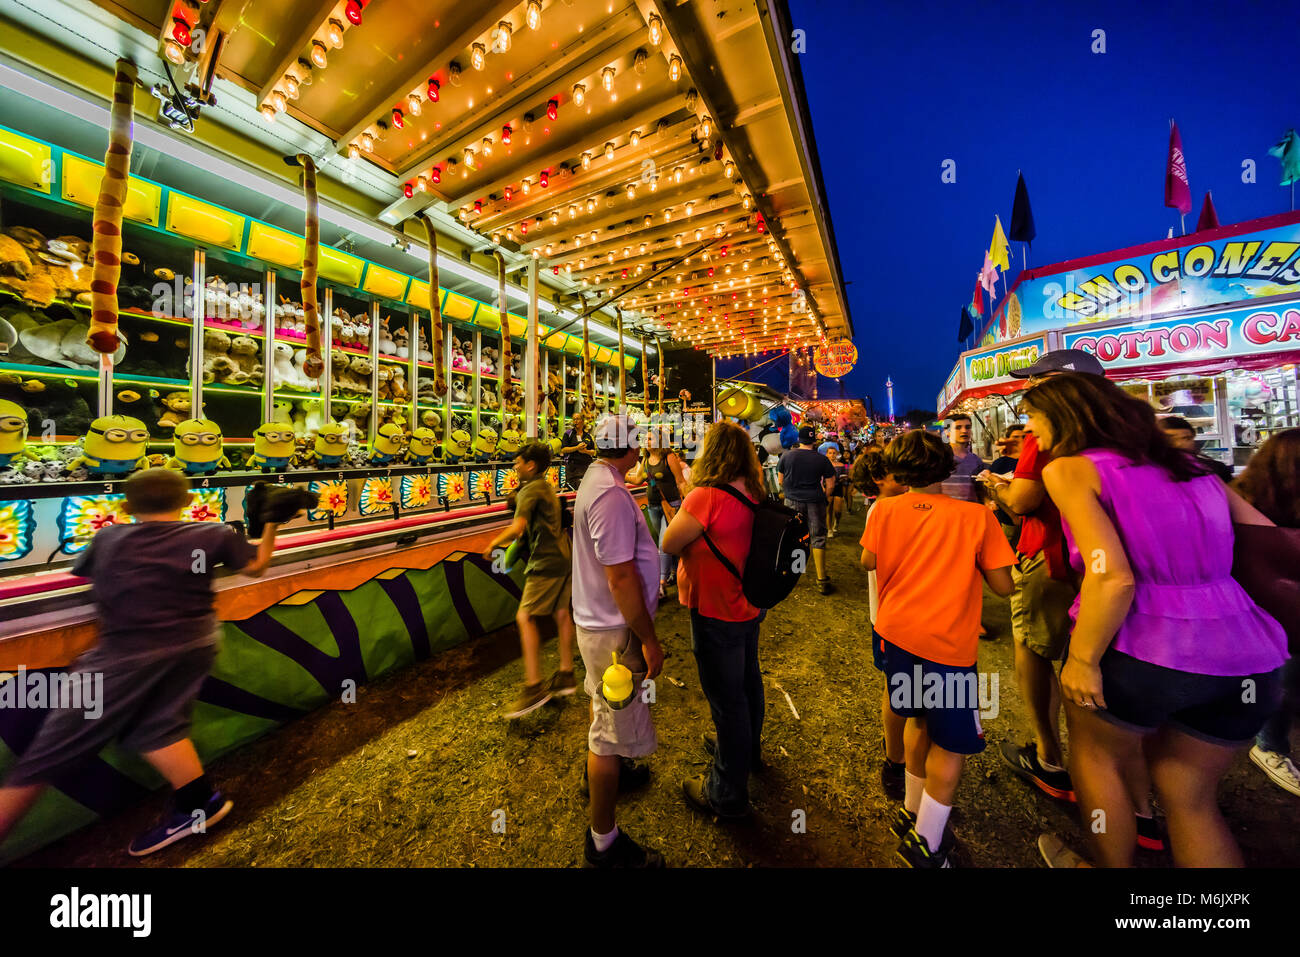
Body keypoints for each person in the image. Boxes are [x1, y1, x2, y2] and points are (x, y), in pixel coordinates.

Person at [1023, 373, 1287, 867]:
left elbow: (1112, 577)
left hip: (1142, 648)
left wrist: (1081, 659)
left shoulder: (1071, 470)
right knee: (1192, 801)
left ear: (1063, 418)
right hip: (1247, 654)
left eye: (1034, 422)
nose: (1032, 435)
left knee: (1101, 765)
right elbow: (1270, 543)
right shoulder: (1193, 466)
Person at [0, 468, 285, 856]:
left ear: (126, 505)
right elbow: (258, 566)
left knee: (46, 755)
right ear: (187, 502)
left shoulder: (108, 537)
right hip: (196, 643)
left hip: (125, 656)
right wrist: (270, 525)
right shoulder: (214, 534)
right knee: (157, 727)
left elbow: (78, 578)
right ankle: (199, 804)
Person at [860, 431, 1016, 868]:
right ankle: (927, 843)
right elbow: (1004, 586)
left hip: (898, 636)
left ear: (895, 468)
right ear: (947, 466)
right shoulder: (974, 516)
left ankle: (913, 813)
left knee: (915, 720)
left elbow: (868, 561)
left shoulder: (882, 510)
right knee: (953, 745)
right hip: (947, 645)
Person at [982, 349, 1106, 810]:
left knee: (1035, 650)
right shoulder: (1122, 432)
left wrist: (998, 486)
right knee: (1096, 662)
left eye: (1037, 384)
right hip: (1108, 563)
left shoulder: (1049, 430)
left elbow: (1025, 500)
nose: (1028, 397)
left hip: (1050, 555)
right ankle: (1119, 785)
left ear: (1062, 386)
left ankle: (1050, 757)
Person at [571, 413, 665, 867]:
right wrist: (648, 638)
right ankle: (603, 842)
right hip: (613, 633)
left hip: (601, 625)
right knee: (607, 736)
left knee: (605, 715)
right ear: (628, 449)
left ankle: (617, 774)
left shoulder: (599, 478)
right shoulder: (609, 492)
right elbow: (621, 576)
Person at [661, 422, 765, 818]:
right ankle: (746, 751)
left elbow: (669, 542)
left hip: (713, 607)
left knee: (727, 700)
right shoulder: (754, 490)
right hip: (748, 604)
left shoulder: (705, 495)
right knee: (748, 682)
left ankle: (725, 792)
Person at [482, 440, 577, 719]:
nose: (515, 466)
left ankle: (533, 686)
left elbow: (518, 527)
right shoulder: (546, 486)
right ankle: (566, 674)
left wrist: (492, 544)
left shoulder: (529, 490)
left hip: (545, 561)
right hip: (564, 556)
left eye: (518, 462)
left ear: (530, 465)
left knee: (525, 617)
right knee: (561, 613)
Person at [1234, 428, 1300, 796]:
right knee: (1282, 676)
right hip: (1271, 617)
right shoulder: (1245, 506)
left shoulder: (1238, 499)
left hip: (1263, 615)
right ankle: (1269, 746)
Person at [851, 448, 910, 799]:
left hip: (896, 614)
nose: (903, 479)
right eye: (896, 474)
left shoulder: (892, 507)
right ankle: (894, 758)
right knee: (897, 688)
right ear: (878, 480)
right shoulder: (882, 510)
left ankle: (900, 751)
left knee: (905, 688)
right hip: (889, 614)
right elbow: (868, 561)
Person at [626, 426, 689, 599]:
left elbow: (680, 482)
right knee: (663, 543)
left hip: (671, 505)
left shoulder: (669, 457)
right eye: (645, 439)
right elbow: (638, 479)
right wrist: (620, 474)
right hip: (653, 506)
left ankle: (661, 584)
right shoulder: (645, 459)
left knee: (663, 543)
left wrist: (688, 501)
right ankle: (675, 572)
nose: (646, 442)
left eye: (650, 439)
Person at [778, 424, 836, 593]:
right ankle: (821, 578)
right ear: (814, 440)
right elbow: (831, 484)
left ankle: (796, 574)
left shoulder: (787, 456)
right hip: (815, 501)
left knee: (796, 537)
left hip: (792, 501)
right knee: (818, 537)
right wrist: (825, 497)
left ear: (799, 439)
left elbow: (781, 481)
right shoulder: (822, 459)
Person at [1160, 415, 1234, 482]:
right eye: (1170, 439)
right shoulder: (1153, 473)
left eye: (1185, 438)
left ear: (1193, 438)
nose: (1178, 444)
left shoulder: (1216, 469)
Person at [942, 413, 985, 502]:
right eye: (958, 428)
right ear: (947, 432)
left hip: (971, 511)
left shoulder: (976, 460)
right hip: (946, 511)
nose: (964, 431)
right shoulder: (939, 458)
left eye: (968, 427)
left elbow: (980, 490)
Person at [560, 412, 596, 491]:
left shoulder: (588, 436)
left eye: (577, 419)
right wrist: (577, 447)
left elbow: (593, 451)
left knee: (587, 490)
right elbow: (563, 449)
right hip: (573, 468)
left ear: (582, 421)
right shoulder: (568, 434)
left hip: (586, 467)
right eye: (574, 419)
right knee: (573, 489)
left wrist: (586, 451)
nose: (575, 421)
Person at [826, 444, 849, 538]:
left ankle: (837, 522)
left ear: (837, 454)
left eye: (834, 453)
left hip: (838, 487)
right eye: (830, 453)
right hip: (828, 488)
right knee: (828, 510)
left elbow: (846, 476)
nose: (832, 455)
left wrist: (844, 478)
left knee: (837, 511)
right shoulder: (824, 465)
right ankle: (829, 529)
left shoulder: (841, 465)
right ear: (827, 454)